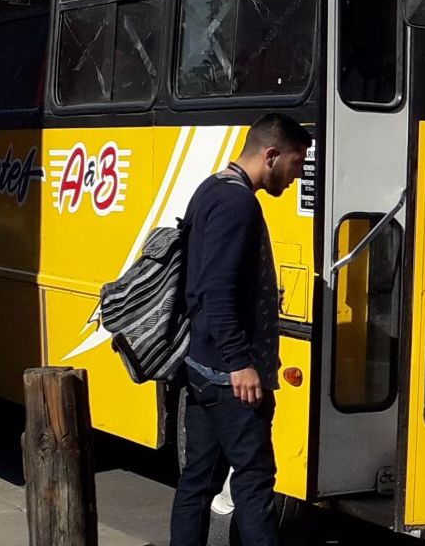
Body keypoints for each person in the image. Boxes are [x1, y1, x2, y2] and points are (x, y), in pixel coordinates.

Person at [170, 113, 312, 546]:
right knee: (253, 483)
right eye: (295, 163)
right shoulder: (238, 204)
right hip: (228, 375)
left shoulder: (211, 190)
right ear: (270, 155)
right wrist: (240, 363)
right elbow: (217, 290)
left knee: (198, 479)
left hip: (201, 366)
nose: (295, 176)